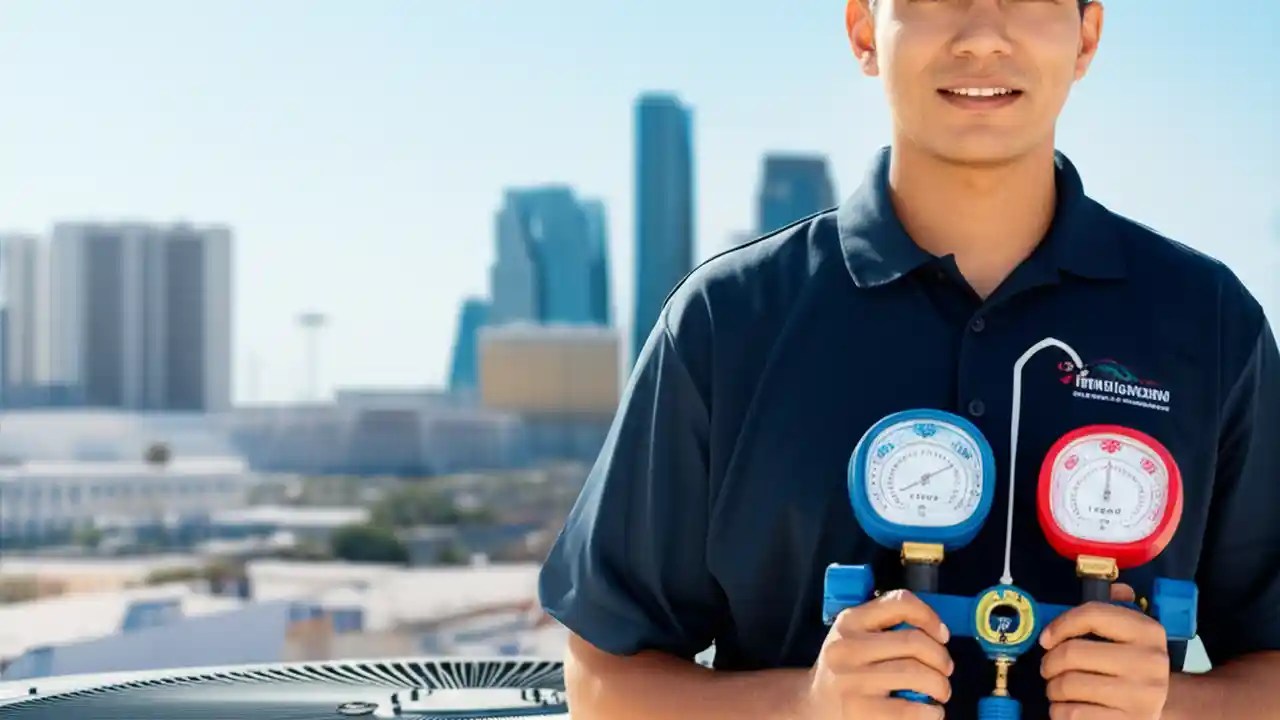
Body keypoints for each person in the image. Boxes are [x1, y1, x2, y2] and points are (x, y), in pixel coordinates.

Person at [537, 0, 1280, 718]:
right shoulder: (727, 322)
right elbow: (603, 684)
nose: (983, 35)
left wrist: (1167, 707)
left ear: (1087, 37)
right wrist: (806, 706)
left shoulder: (1208, 322)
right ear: (864, 29)